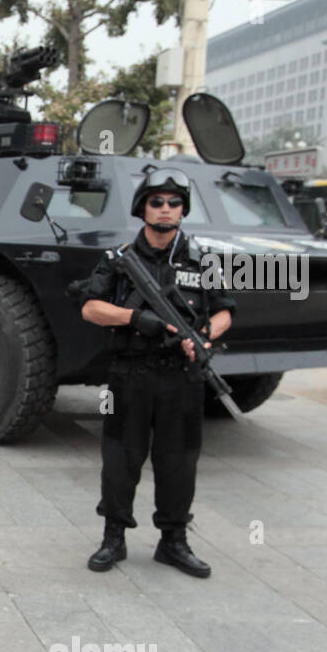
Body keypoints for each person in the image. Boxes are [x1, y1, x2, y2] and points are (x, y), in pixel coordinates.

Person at [75, 168, 234, 578]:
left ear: (183, 210)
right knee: (120, 457)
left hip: (182, 376)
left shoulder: (203, 260)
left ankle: (173, 541)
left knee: (178, 461)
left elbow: (224, 311)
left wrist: (203, 336)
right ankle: (114, 537)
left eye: (174, 203)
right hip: (131, 373)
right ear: (143, 208)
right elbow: (91, 307)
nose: (165, 210)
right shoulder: (118, 259)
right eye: (157, 202)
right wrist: (135, 318)